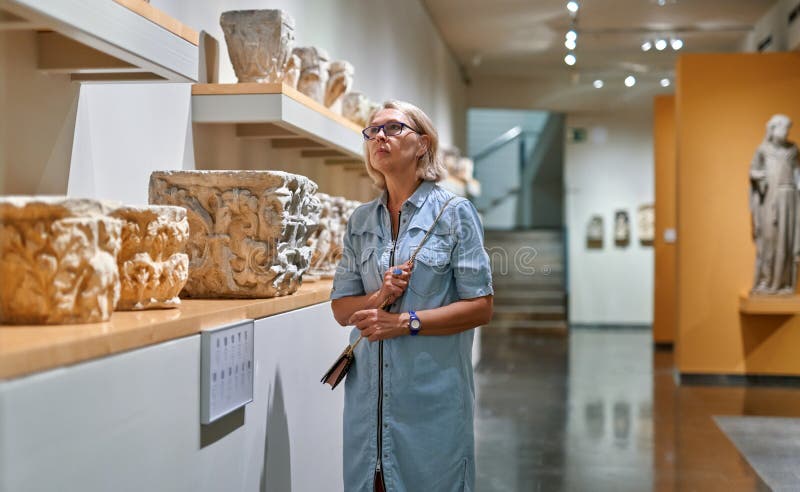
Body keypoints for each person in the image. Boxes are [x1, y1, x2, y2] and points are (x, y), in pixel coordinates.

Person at [330, 100, 494, 492]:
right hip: (367, 402)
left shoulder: (456, 213)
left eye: (393, 128)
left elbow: (481, 307)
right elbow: (341, 308)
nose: (379, 136)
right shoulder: (361, 221)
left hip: (432, 401)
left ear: (422, 144)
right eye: (372, 131)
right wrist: (380, 296)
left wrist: (404, 323)